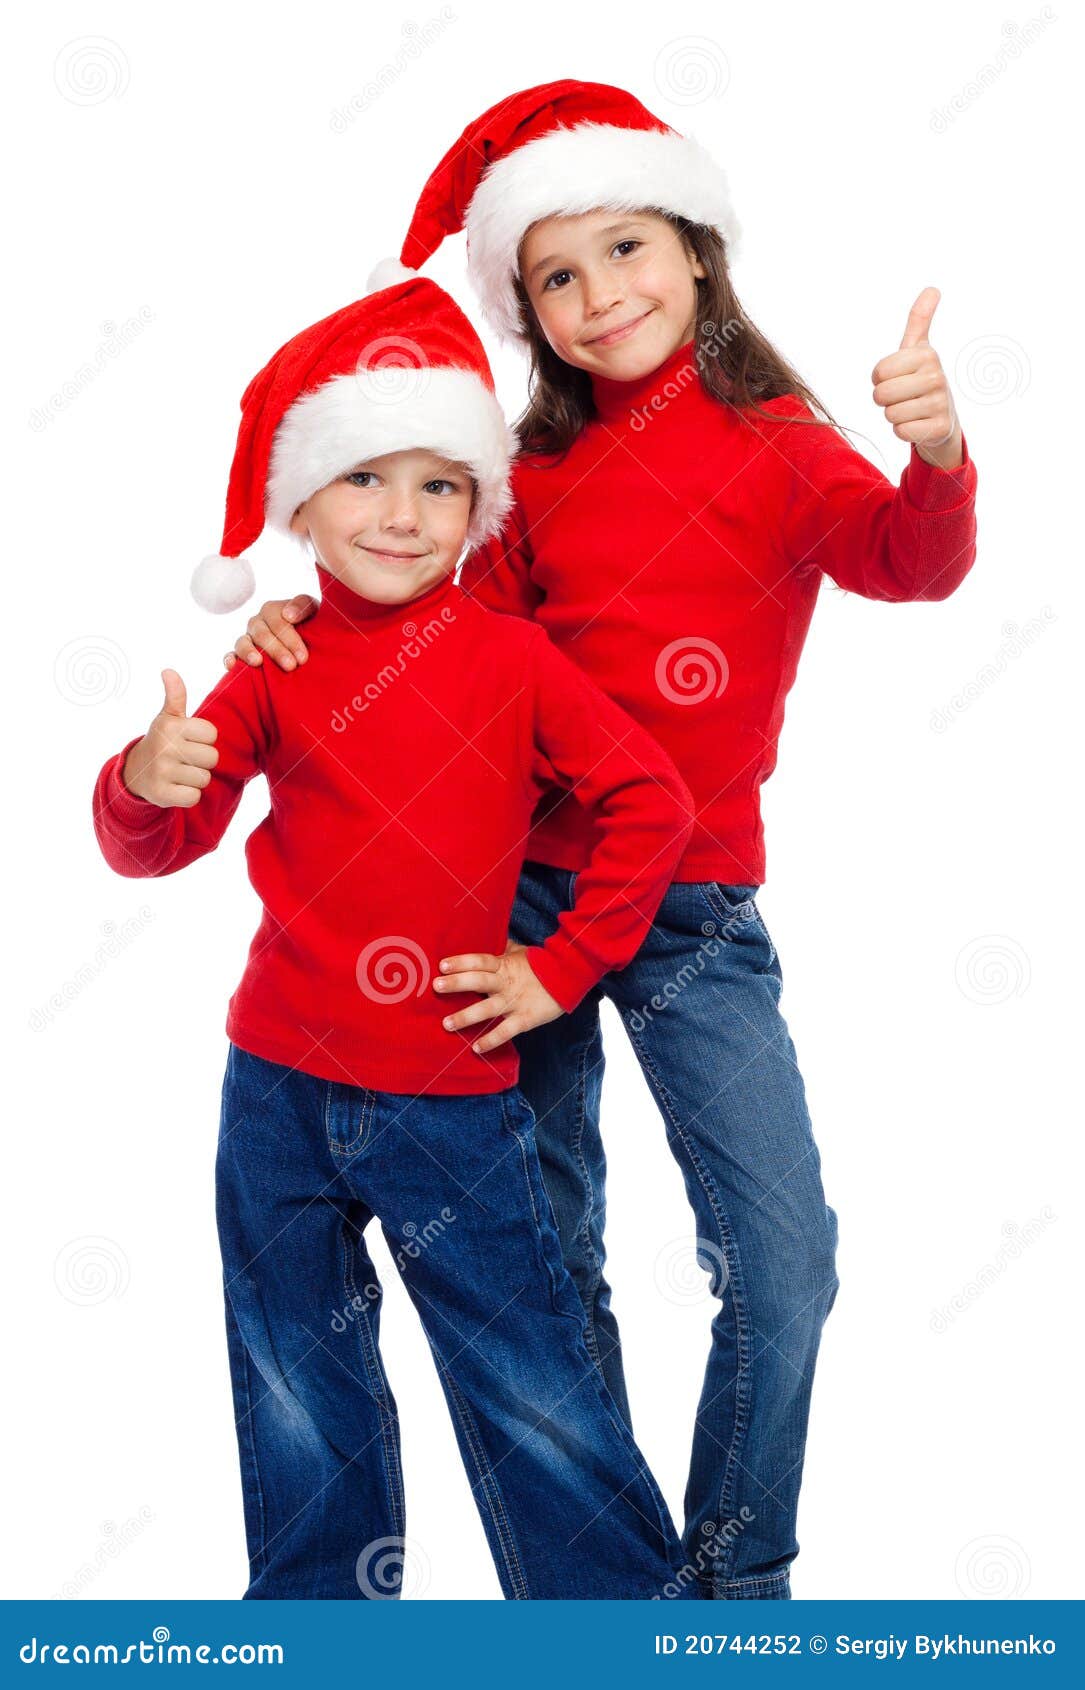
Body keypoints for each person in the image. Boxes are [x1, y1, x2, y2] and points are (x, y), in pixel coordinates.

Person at [223, 81, 979, 1600]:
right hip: (515, 907)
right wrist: (294, 617)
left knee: (782, 1257)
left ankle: (730, 1577)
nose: (595, 295)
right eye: (553, 278)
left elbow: (908, 563)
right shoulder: (524, 479)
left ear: (695, 250)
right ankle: (595, 1601)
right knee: (544, 1267)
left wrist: (938, 455)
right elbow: (432, 631)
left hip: (693, 910)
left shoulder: (782, 446)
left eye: (623, 249)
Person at [92, 268, 701, 1600]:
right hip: (274, 1091)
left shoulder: (511, 660)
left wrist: (557, 968)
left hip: (451, 1099)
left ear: (476, 506)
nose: (403, 513)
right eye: (366, 478)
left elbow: (649, 802)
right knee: (293, 1375)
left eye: (440, 484)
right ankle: (321, 1626)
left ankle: (618, 1625)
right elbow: (157, 841)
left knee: (527, 1381)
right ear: (301, 501)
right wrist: (149, 773)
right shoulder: (279, 658)